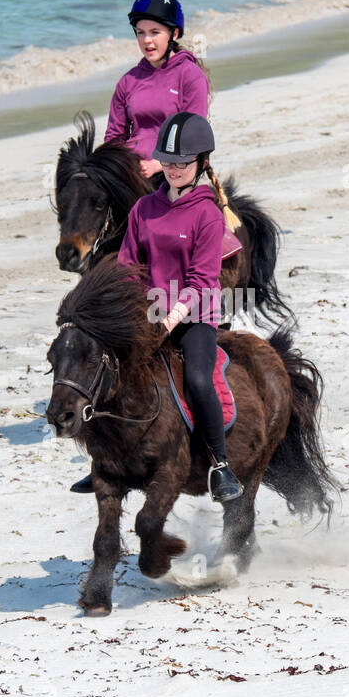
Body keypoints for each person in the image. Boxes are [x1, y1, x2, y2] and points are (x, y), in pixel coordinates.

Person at [116, 112, 244, 502]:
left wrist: (170, 318)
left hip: (195, 318)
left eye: (182, 163)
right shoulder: (143, 209)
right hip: (150, 314)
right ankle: (108, 462)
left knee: (200, 381)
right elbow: (128, 265)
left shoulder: (207, 213)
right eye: (167, 161)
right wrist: (137, 307)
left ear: (202, 164)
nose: (173, 169)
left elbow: (203, 280)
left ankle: (220, 465)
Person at [105, 0, 210, 183]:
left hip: (174, 174)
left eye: (155, 32)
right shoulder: (127, 81)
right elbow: (114, 138)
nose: (146, 41)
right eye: (140, 33)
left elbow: (192, 136)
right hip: (132, 172)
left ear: (174, 33)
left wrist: (157, 165)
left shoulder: (190, 76)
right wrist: (123, 166)